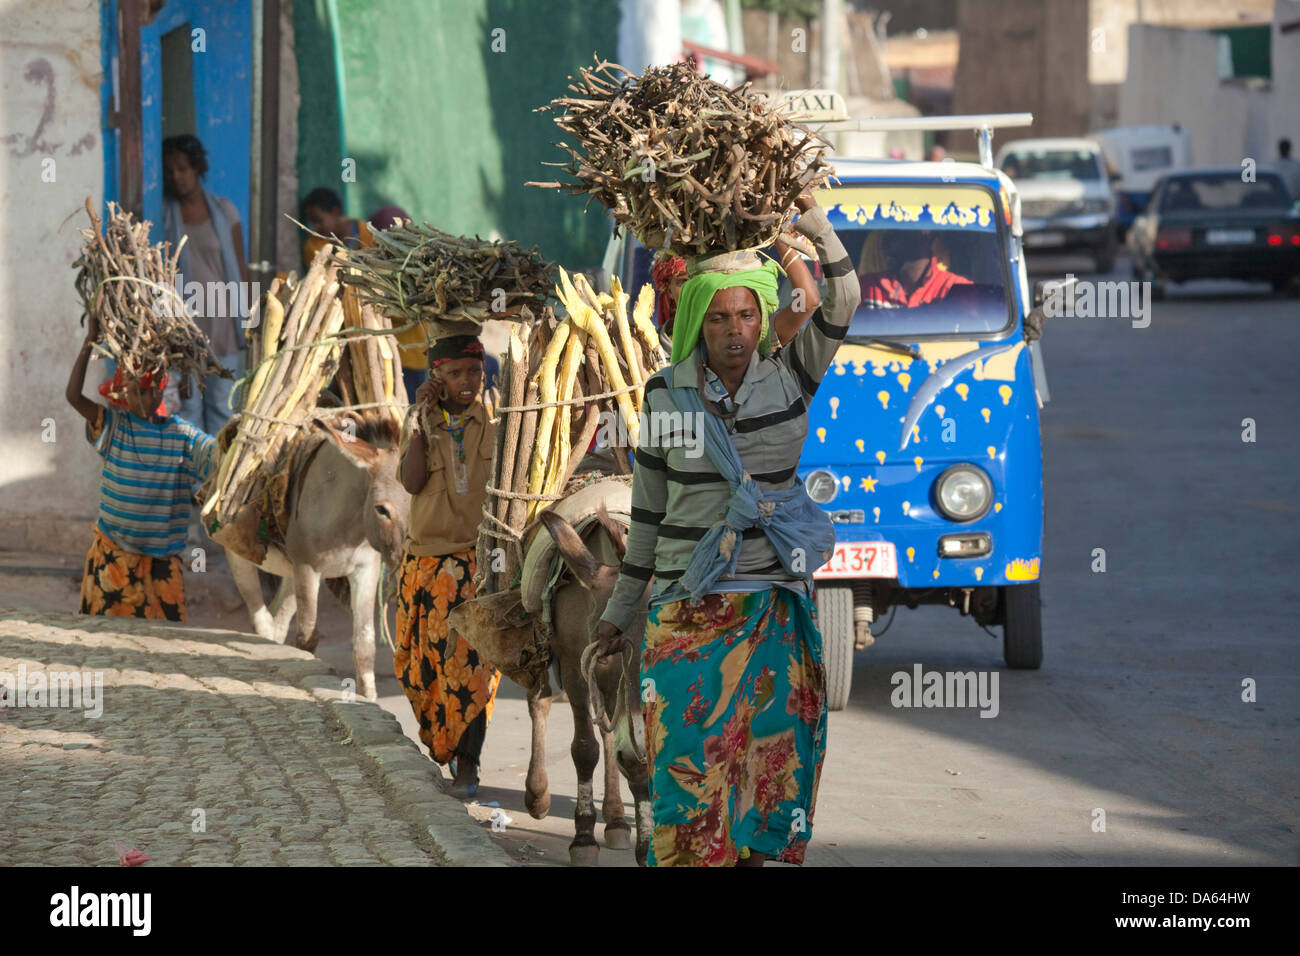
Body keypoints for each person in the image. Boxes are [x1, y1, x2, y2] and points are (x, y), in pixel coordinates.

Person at [592, 189, 859, 867]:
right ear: (695, 326)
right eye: (718, 319)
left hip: (772, 607)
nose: (735, 330)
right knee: (688, 788)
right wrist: (621, 613)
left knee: (765, 782)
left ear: (763, 316)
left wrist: (815, 229)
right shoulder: (665, 395)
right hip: (686, 611)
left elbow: (844, 301)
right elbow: (648, 515)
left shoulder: (792, 376)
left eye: (746, 314)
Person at [393, 334, 500, 797]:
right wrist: (421, 420)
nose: (466, 382)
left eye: (474, 372)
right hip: (426, 566)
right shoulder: (420, 422)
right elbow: (413, 481)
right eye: (454, 373)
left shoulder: (496, 419)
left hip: (477, 565)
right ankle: (445, 748)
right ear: (436, 376)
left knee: (474, 667)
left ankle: (469, 764)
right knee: (421, 669)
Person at [66, 312, 218, 622]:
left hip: (163, 568)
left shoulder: (183, 438)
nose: (146, 399)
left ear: (163, 389)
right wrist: (88, 343)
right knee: (106, 646)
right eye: (138, 391)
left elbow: (217, 456)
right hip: (112, 562)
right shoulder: (113, 427)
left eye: (152, 391)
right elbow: (73, 397)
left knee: (163, 650)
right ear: (125, 392)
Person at [162, 134, 249, 433]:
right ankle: (193, 480)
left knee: (222, 409)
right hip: (185, 325)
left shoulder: (225, 212)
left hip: (222, 323)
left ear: (197, 168)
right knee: (188, 411)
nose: (176, 177)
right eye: (170, 171)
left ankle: (217, 479)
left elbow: (240, 267)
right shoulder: (163, 216)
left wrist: (250, 320)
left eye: (182, 168)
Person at [651, 231, 823, 354]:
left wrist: (780, 237)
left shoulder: (755, 334)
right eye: (684, 282)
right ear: (669, 290)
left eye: (708, 282)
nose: (700, 290)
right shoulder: (649, 347)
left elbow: (806, 302)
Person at [859, 230, 971, 308]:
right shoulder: (866, 287)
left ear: (925, 233)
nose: (884, 244)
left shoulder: (957, 288)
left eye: (895, 233)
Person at [300, 187, 375, 268]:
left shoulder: (365, 231)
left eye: (319, 220)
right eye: (312, 222)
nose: (316, 227)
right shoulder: (312, 246)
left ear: (335, 212)